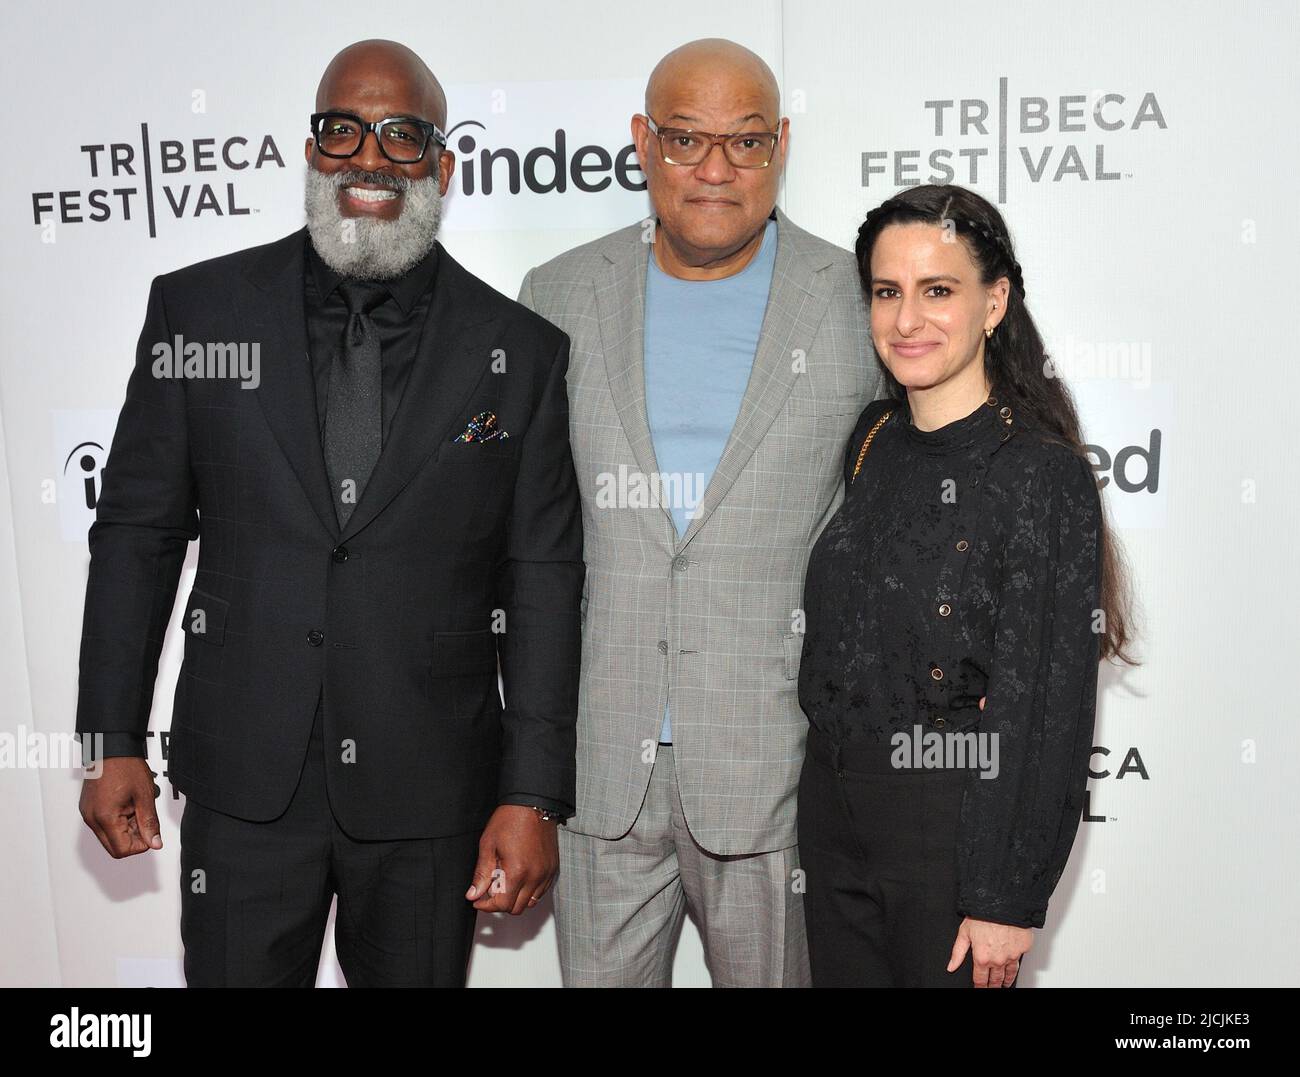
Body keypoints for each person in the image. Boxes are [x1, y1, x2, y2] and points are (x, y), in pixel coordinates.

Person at [74, 39, 583, 987]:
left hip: (432, 796)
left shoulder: (519, 350)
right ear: (312, 151)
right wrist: (110, 739)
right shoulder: (200, 315)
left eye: (401, 134)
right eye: (341, 129)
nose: (368, 157)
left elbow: (542, 579)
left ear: (443, 162)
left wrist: (534, 794)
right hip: (241, 782)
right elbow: (137, 535)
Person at [517, 38, 882, 987]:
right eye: (685, 138)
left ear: (781, 147)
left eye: (746, 142)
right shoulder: (553, 298)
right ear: (642, 141)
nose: (715, 169)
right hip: (602, 770)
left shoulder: (857, 304)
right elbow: (527, 543)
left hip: (780, 773)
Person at [797, 183, 1138, 988]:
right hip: (832, 817)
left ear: (995, 303)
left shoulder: (1042, 474)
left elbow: (1044, 706)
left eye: (937, 290)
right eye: (887, 293)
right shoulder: (872, 437)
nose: (906, 320)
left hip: (951, 828)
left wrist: (1006, 897)